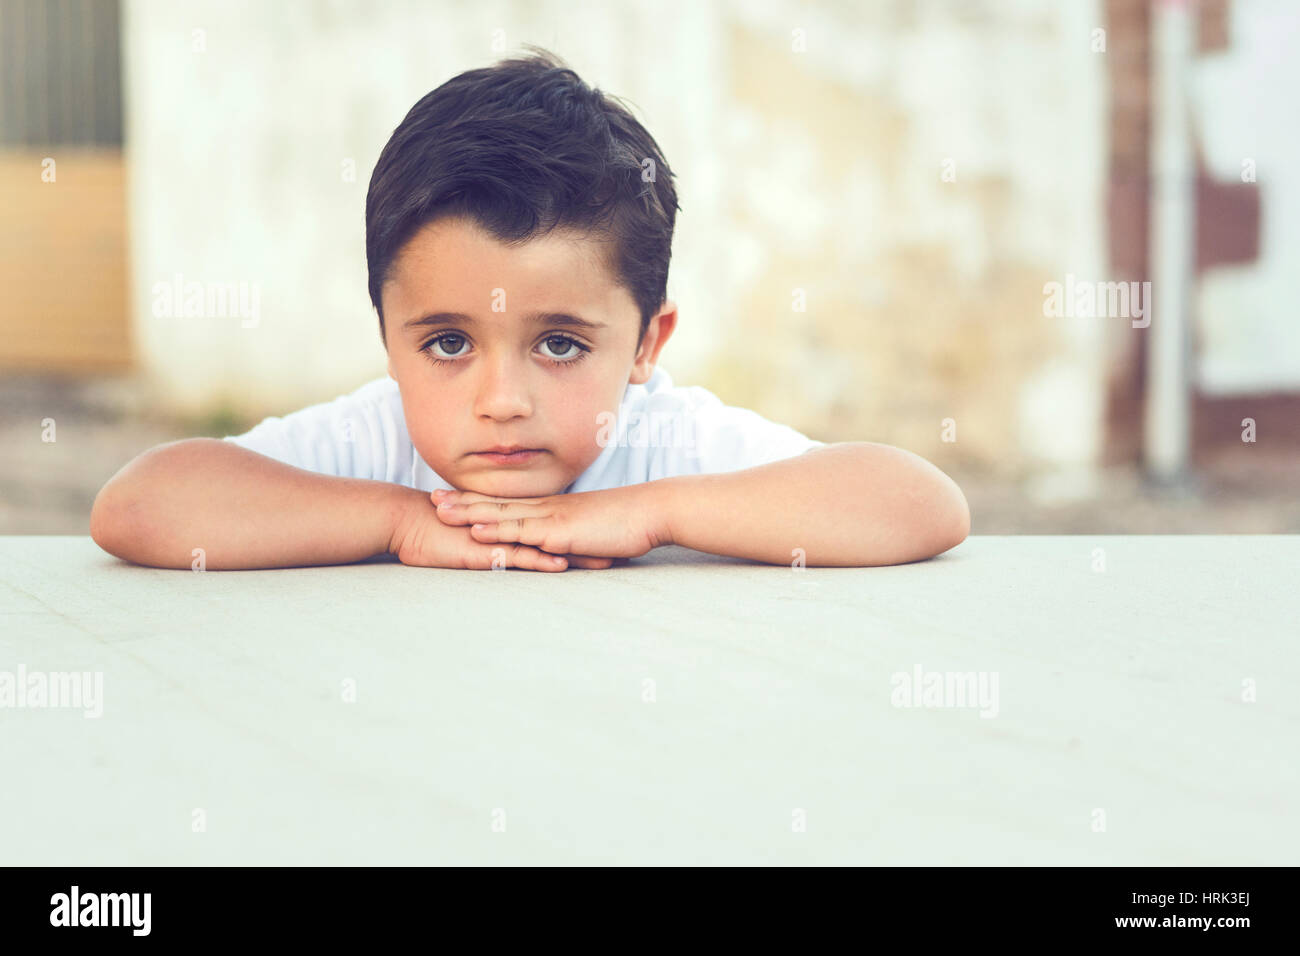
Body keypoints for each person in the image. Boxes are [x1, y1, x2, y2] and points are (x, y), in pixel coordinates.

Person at [91, 48, 969, 572]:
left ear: (645, 342)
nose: (500, 398)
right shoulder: (374, 444)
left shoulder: (661, 443)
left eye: (557, 342)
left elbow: (920, 505)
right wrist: (397, 523)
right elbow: (139, 509)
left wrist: (653, 512)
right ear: (388, 342)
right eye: (445, 342)